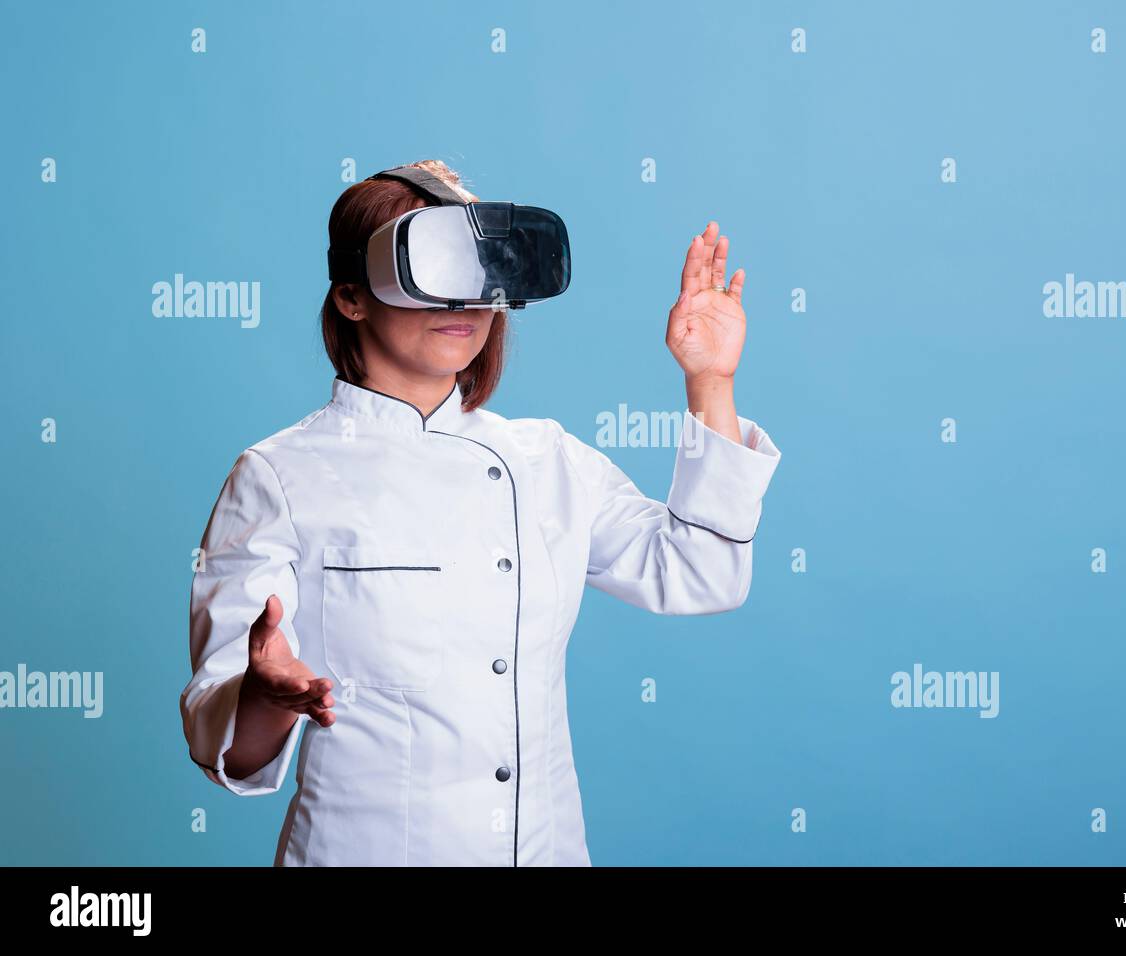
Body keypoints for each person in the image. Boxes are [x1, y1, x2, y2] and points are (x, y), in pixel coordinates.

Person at [180, 159, 781, 866]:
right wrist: (266, 694)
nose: (461, 299)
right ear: (351, 296)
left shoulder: (547, 460)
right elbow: (225, 750)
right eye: (430, 266)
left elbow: (703, 571)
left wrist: (710, 382)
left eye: (478, 268)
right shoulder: (280, 475)